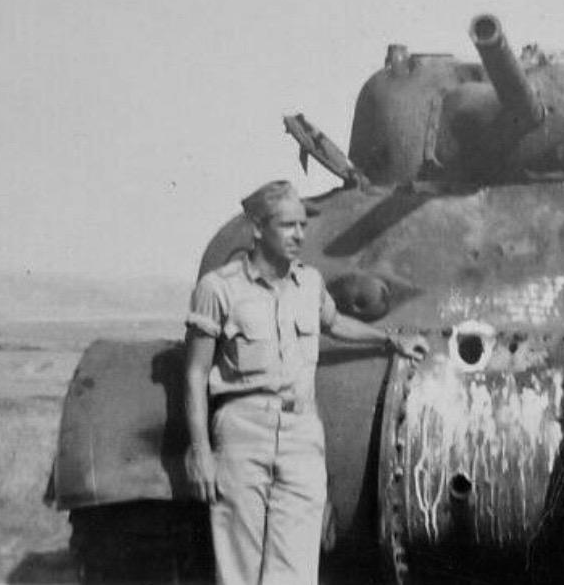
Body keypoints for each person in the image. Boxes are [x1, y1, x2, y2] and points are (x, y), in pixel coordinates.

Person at [183, 180, 427, 585]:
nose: (299, 235)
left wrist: (390, 339)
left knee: (297, 568)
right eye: (287, 225)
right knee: (240, 567)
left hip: (300, 433)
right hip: (244, 429)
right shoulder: (219, 288)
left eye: (302, 225)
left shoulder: (309, 283)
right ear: (258, 229)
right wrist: (200, 452)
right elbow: (194, 374)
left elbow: (334, 323)